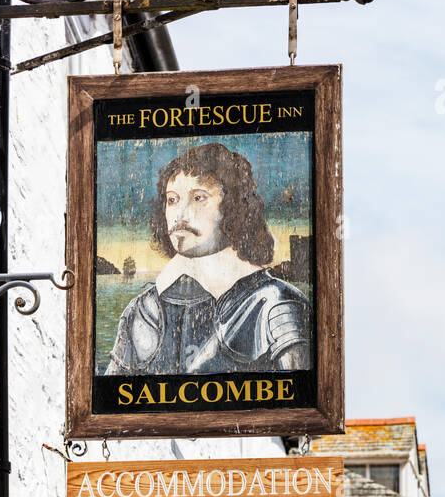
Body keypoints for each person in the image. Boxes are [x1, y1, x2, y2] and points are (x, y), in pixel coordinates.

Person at [104, 141, 311, 376]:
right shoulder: (144, 309)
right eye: (172, 200)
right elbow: (110, 400)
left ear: (234, 207)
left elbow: (298, 401)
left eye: (199, 198)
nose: (180, 215)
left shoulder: (275, 304)